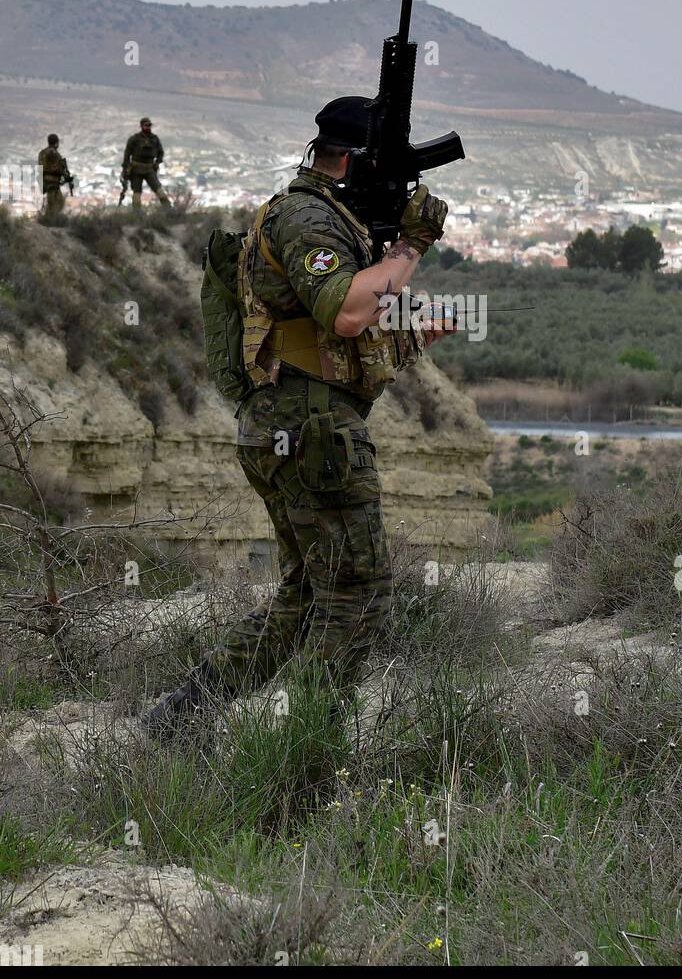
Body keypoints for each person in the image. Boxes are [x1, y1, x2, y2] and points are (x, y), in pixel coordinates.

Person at [143, 95, 452, 736]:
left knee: (307, 595)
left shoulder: (329, 216)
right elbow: (344, 310)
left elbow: (332, 337)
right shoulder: (307, 217)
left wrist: (412, 334)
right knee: (357, 591)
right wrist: (413, 244)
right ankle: (310, 747)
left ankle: (175, 723)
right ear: (357, 159)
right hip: (310, 430)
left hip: (298, 424)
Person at [121, 116, 170, 210]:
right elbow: (127, 154)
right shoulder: (134, 139)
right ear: (141, 126)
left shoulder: (155, 139)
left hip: (149, 168)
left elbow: (160, 152)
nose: (148, 127)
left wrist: (157, 163)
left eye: (149, 125)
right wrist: (125, 169)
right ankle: (137, 214)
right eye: (146, 125)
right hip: (136, 169)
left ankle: (169, 210)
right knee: (137, 192)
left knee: (158, 189)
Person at [37, 134, 72, 220]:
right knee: (54, 203)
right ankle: (49, 220)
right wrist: (66, 176)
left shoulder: (42, 153)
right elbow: (58, 169)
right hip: (52, 181)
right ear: (56, 143)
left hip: (45, 180)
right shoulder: (54, 154)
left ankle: (51, 219)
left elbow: (41, 166)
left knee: (56, 202)